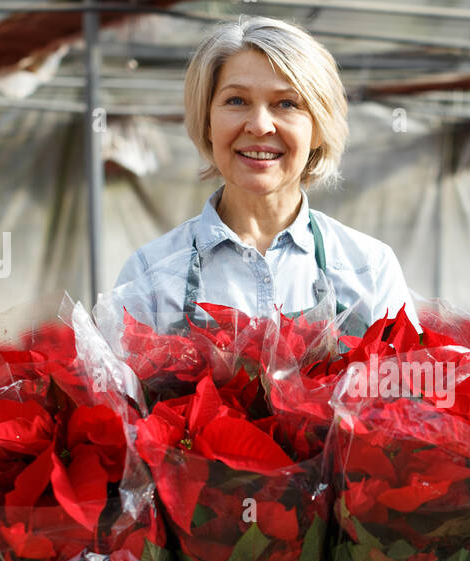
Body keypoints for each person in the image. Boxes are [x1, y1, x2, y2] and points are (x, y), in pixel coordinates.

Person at [105, 15, 419, 333]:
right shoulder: (150, 275)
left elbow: (403, 381)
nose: (259, 125)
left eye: (286, 103)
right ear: (208, 122)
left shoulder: (369, 268)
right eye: (236, 100)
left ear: (318, 129)